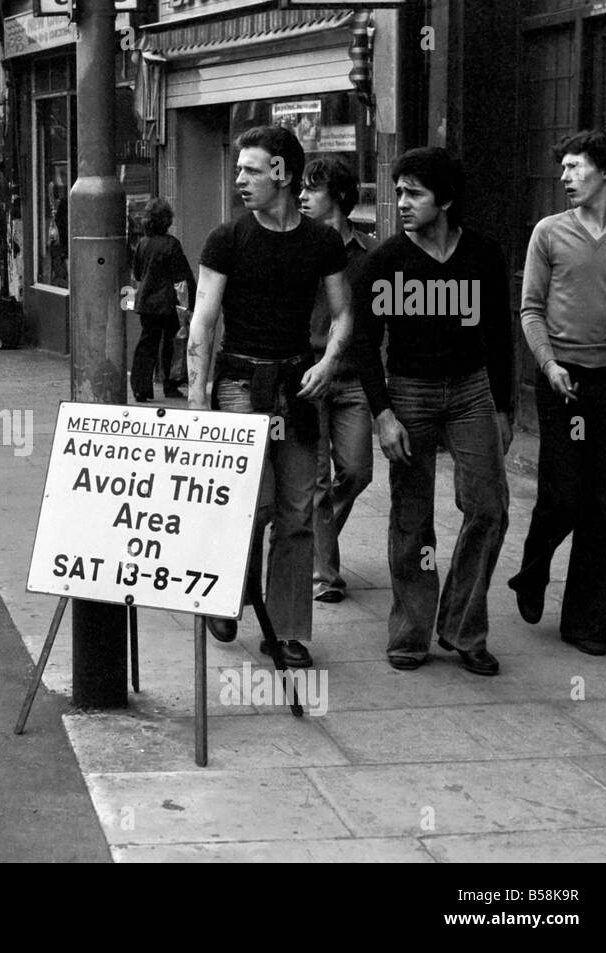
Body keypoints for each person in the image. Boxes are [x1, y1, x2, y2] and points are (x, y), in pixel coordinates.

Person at [186, 125, 353, 669]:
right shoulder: (227, 238)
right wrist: (195, 396)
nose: (240, 180)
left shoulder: (322, 242)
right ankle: (227, 596)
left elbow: (345, 312)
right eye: (239, 170)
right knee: (243, 506)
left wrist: (329, 362)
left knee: (297, 512)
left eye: (251, 170)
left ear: (282, 173)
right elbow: (203, 320)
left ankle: (287, 630)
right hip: (239, 385)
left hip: (300, 387)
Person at [351, 147, 513, 676]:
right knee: (412, 518)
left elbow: (499, 337)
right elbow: (364, 344)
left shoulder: (483, 255)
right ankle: (411, 631)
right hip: (410, 393)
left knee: (489, 507)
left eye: (413, 192)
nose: (400, 201)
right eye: (398, 191)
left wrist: (505, 408)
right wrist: (383, 413)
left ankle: (463, 626)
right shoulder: (384, 261)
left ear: (444, 199)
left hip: (471, 392)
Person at [508, 131, 606, 657]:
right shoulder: (549, 233)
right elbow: (530, 307)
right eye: (562, 168)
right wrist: (548, 364)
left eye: (575, 167)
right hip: (561, 379)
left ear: (603, 171)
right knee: (562, 495)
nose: (564, 177)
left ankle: (587, 622)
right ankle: (533, 572)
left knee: (605, 506)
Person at [298, 156, 377, 604]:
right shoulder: (299, 245)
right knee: (317, 481)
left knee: (357, 471)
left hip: (353, 378)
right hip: (309, 371)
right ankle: (325, 575)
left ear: (340, 197)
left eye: (313, 189)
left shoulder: (369, 252)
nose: (303, 196)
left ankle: (312, 539)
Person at [130, 197, 196, 401]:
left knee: (146, 344)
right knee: (170, 344)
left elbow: (138, 274)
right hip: (168, 303)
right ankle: (170, 385)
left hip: (146, 302)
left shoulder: (142, 243)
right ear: (166, 220)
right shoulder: (171, 244)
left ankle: (141, 388)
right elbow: (182, 277)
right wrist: (191, 302)